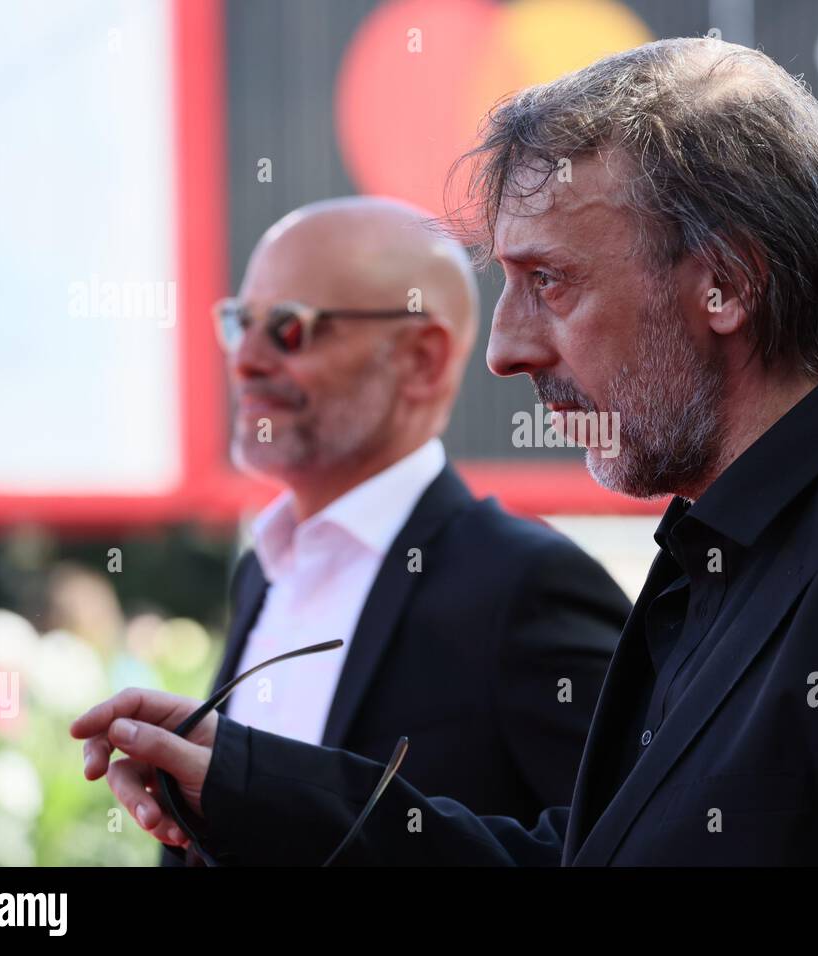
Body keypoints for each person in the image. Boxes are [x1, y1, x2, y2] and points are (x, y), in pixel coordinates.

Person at [75, 39, 818, 866]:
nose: (502, 348)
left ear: (725, 281)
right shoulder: (738, 540)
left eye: (548, 281)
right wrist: (255, 788)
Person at [157, 196, 630, 862]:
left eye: (288, 328)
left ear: (421, 358)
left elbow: (620, 847)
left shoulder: (526, 585)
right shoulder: (263, 570)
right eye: (240, 324)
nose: (246, 361)